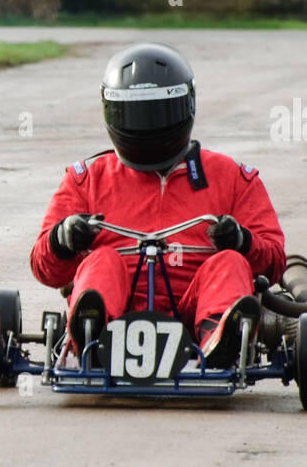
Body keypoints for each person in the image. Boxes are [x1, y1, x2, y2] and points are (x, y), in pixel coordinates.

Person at [29, 42, 286, 367]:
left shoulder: (231, 177)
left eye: (157, 113)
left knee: (230, 262)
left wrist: (241, 241)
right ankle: (94, 336)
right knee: (101, 259)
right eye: (134, 113)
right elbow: (44, 267)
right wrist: (62, 240)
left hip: (195, 309)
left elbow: (274, 262)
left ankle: (219, 336)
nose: (147, 125)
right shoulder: (87, 178)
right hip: (118, 310)